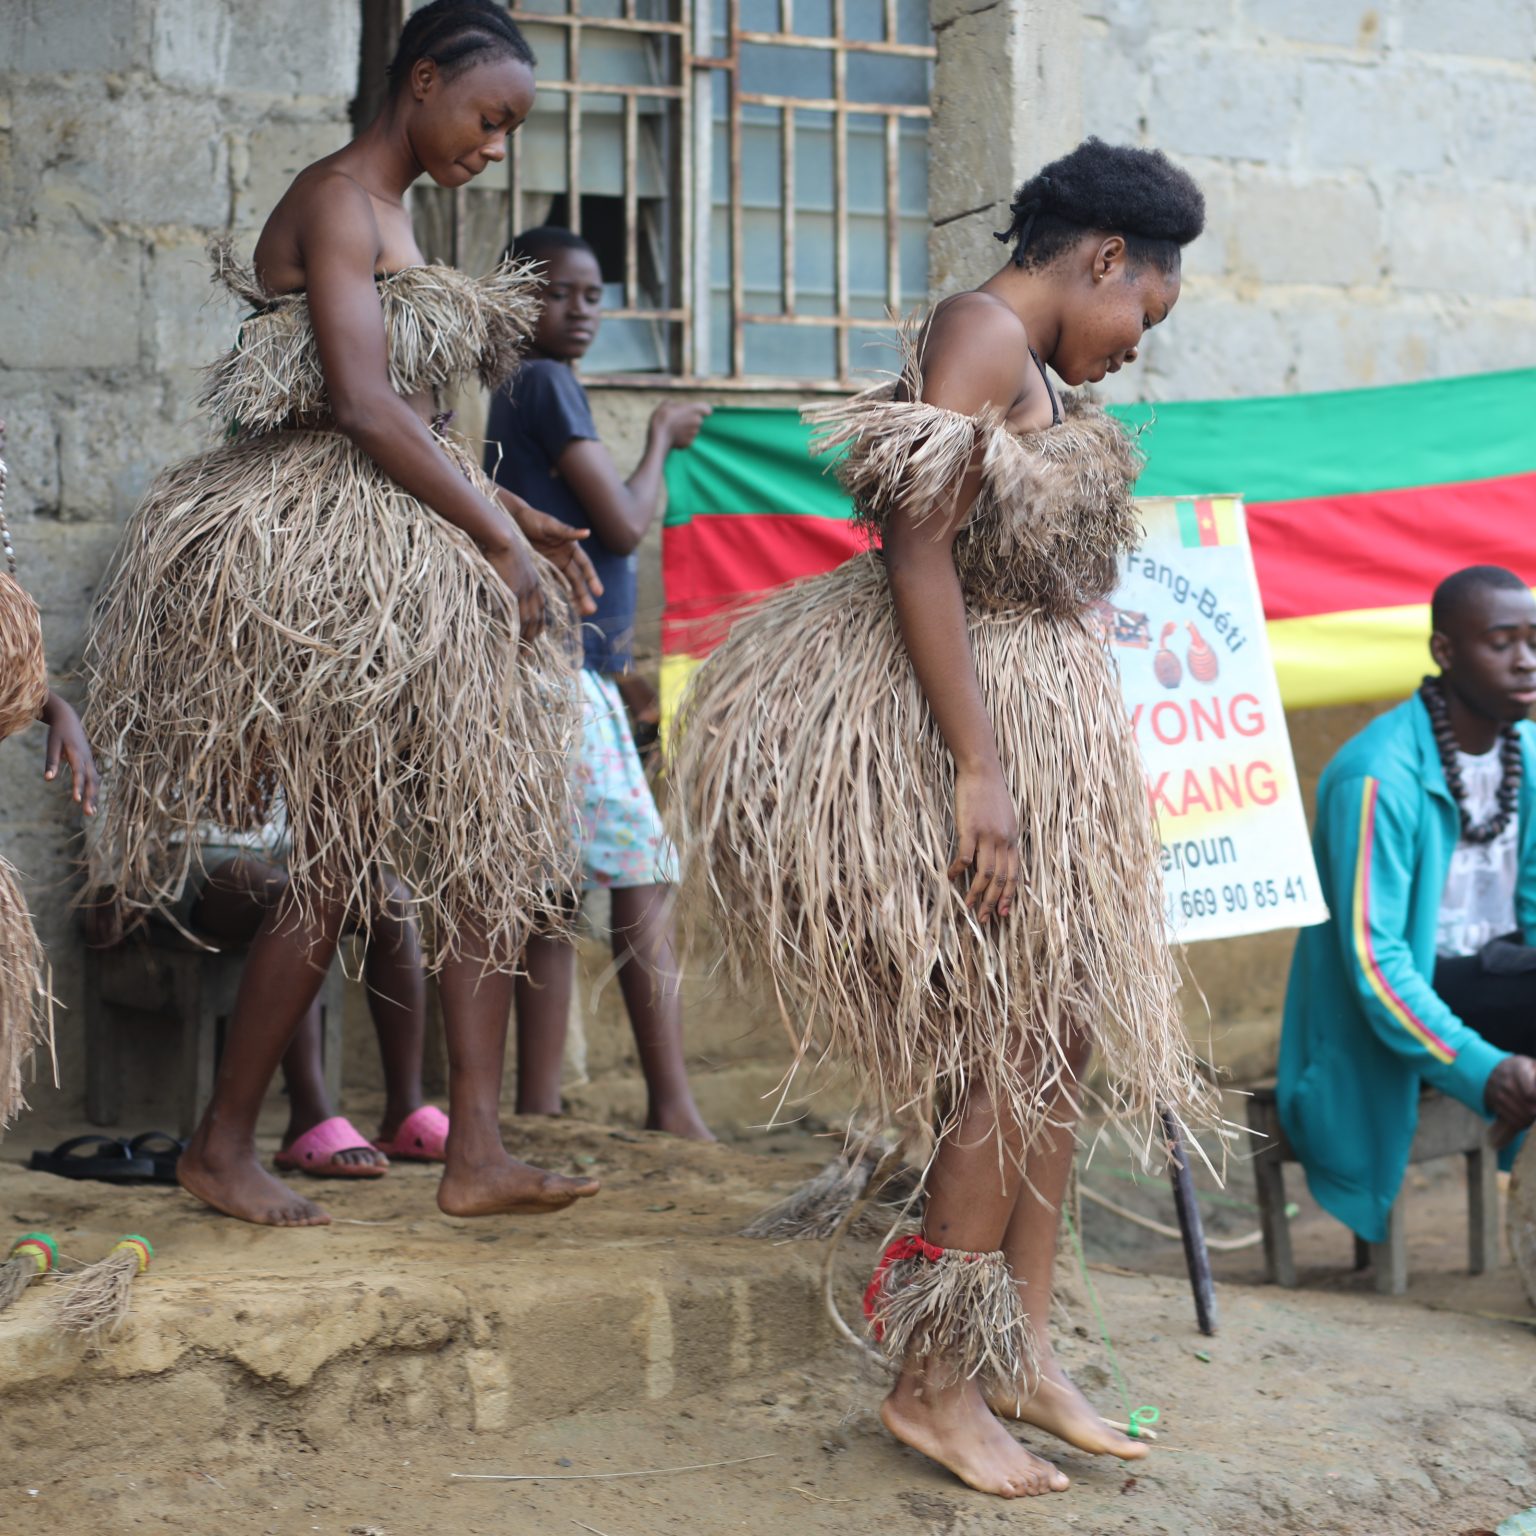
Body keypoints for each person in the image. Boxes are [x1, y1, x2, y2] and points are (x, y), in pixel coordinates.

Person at [667, 138, 1215, 1497]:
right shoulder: (977, 329)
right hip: (974, 731)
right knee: (1011, 1043)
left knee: (1060, 1033)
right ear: (1101, 260)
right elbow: (914, 544)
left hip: (1036, 718)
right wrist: (979, 767)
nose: (1138, 344)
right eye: (1143, 311)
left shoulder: (1027, 359)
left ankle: (1018, 1350)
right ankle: (932, 1379)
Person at [83, 0, 602, 1226]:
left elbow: (415, 423)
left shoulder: (398, 214)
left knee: (478, 839)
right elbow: (366, 411)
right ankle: (220, 1145)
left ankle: (474, 1149)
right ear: (420, 82)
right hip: (335, 567)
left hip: (411, 544)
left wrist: (511, 516)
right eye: (489, 115)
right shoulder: (333, 201)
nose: (495, 144)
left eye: (512, 127)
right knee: (332, 859)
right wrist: (489, 531)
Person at [485, 227, 713, 1142]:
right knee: (641, 876)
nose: (578, 313)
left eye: (592, 296)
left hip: (555, 672)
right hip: (565, 677)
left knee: (549, 892)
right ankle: (673, 1104)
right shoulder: (543, 382)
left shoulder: (516, 390)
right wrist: (659, 438)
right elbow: (619, 526)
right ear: (513, 299)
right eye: (558, 294)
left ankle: (539, 1104)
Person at [1279, 565, 1536, 1247]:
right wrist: (1487, 1070)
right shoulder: (1377, 778)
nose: (1527, 661)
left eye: (1534, 640)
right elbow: (1378, 967)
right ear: (1445, 652)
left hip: (1491, 972)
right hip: (1399, 1000)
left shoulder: (1526, 753)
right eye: (1502, 642)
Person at [166, 812, 442, 1177]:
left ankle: (404, 1112)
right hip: (184, 856)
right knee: (300, 899)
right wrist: (109, 882)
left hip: (286, 852)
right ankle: (308, 1113)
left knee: (393, 900)